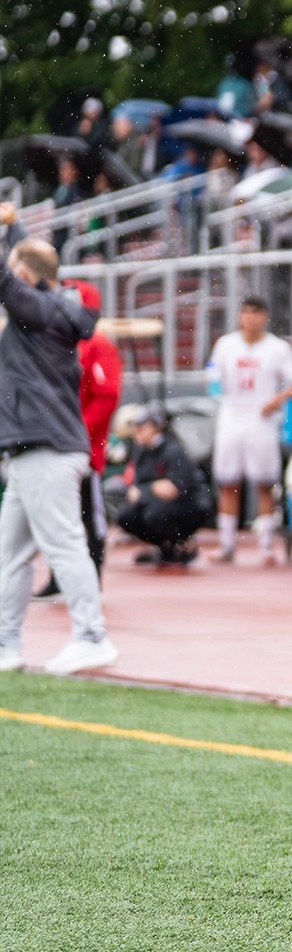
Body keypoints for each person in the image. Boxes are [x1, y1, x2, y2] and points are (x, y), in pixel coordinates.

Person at [0, 239, 115, 675]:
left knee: (64, 546)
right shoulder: (51, 306)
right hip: (37, 450)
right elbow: (26, 266)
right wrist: (14, 227)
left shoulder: (36, 310)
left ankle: (91, 636)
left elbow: (8, 274)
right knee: (10, 555)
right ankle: (6, 645)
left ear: (26, 279)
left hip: (43, 448)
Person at [34, 281, 119, 601]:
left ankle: (93, 579)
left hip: (83, 447)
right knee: (58, 516)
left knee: (88, 514)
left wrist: (77, 432)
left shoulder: (97, 344)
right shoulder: (57, 341)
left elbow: (106, 396)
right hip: (57, 442)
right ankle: (59, 578)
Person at [207, 296, 292, 564]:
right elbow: (213, 377)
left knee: (264, 483)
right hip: (231, 419)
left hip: (261, 421)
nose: (250, 318)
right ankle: (227, 544)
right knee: (228, 482)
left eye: (256, 313)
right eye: (246, 312)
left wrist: (276, 400)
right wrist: (221, 396)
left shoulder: (277, 348)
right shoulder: (226, 344)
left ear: (265, 316)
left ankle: (265, 546)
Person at [116, 408, 213, 566]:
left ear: (156, 427)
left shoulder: (172, 450)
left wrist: (145, 490)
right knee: (127, 517)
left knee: (153, 514)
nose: (137, 432)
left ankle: (182, 544)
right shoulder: (140, 451)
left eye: (142, 427)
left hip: (190, 505)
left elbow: (171, 489)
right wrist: (150, 489)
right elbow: (139, 485)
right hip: (158, 502)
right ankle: (164, 547)